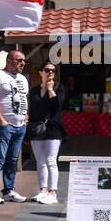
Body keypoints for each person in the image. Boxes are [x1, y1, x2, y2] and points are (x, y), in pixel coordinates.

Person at [0, 50, 30, 203]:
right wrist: (1, 120)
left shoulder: (23, 79)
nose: (22, 63)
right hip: (2, 125)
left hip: (19, 126)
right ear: (9, 60)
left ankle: (8, 190)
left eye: (23, 60)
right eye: (19, 60)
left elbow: (24, 98)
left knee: (12, 160)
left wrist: (26, 116)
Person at [27, 64, 65, 204]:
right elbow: (33, 109)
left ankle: (53, 192)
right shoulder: (34, 90)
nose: (50, 72)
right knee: (40, 161)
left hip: (54, 128)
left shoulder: (59, 87)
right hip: (37, 128)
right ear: (41, 72)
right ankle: (43, 190)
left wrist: (50, 90)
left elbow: (58, 105)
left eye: (53, 71)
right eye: (47, 70)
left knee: (51, 160)